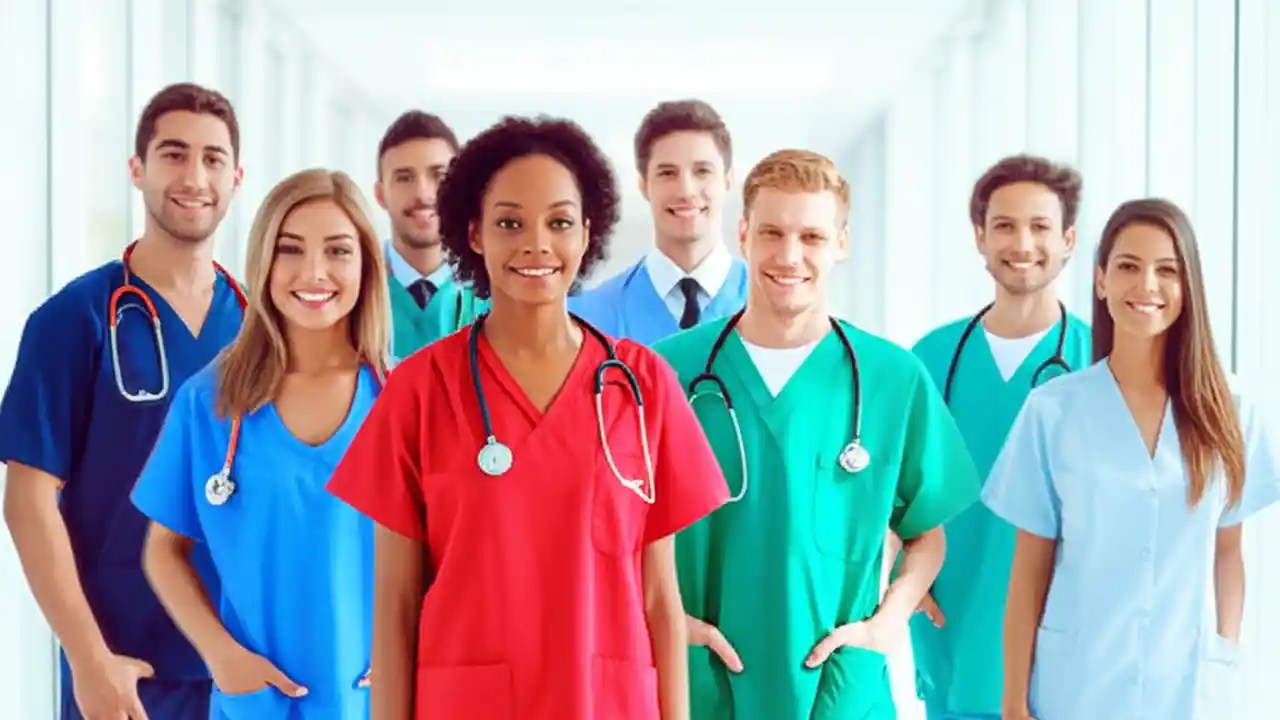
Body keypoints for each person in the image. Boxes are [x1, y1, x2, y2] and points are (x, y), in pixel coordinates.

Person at [325, 115, 730, 720]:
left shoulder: (641, 385)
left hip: (605, 703)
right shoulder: (420, 390)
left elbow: (660, 601)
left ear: (586, 234)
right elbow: (397, 604)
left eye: (559, 223)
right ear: (474, 233)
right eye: (510, 223)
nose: (537, 244)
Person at [653, 149, 981, 720]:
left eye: (811, 237)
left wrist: (887, 623)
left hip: (838, 691)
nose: (789, 256)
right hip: (705, 686)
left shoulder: (891, 378)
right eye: (772, 233)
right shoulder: (669, 371)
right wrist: (665, 619)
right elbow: (619, 528)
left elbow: (927, 534)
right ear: (743, 234)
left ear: (841, 244)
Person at [0, 82, 246, 720]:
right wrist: (88, 659)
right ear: (137, 169)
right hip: (126, 674)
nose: (194, 177)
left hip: (248, 667)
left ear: (236, 178)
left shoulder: (263, 326)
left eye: (213, 159)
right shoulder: (73, 319)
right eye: (173, 154)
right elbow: (27, 502)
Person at [983, 198, 1280, 720]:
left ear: (1188, 287)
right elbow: (1029, 569)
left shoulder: (1230, 410)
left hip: (1189, 690)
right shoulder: (1052, 411)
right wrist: (1013, 702)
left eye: (1167, 270)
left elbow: (1228, 552)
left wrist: (1224, 652)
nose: (1147, 285)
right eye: (1128, 266)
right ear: (1101, 281)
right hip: (1077, 687)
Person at [131, 169, 390, 719]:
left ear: (366, 265)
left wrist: (414, 646)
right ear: (263, 261)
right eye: (290, 249)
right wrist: (221, 655)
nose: (314, 272)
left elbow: (455, 551)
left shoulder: (406, 399)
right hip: (258, 701)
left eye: (338, 251)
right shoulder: (209, 402)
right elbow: (163, 550)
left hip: (376, 698)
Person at [905, 155, 1091, 720]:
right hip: (954, 634)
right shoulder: (932, 358)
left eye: (1040, 227)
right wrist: (903, 572)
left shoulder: (1098, 360)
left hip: (1064, 646)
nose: (1022, 243)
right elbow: (891, 490)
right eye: (1005, 225)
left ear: (1068, 240)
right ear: (980, 237)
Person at [569, 99, 748, 345]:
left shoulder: (776, 307)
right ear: (643, 185)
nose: (686, 191)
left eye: (702, 171)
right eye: (667, 173)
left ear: (728, 180)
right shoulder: (588, 319)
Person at [373, 110, 487, 360]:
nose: (423, 193)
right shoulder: (355, 291)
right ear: (380, 195)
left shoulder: (494, 296)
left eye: (439, 176)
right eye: (404, 178)